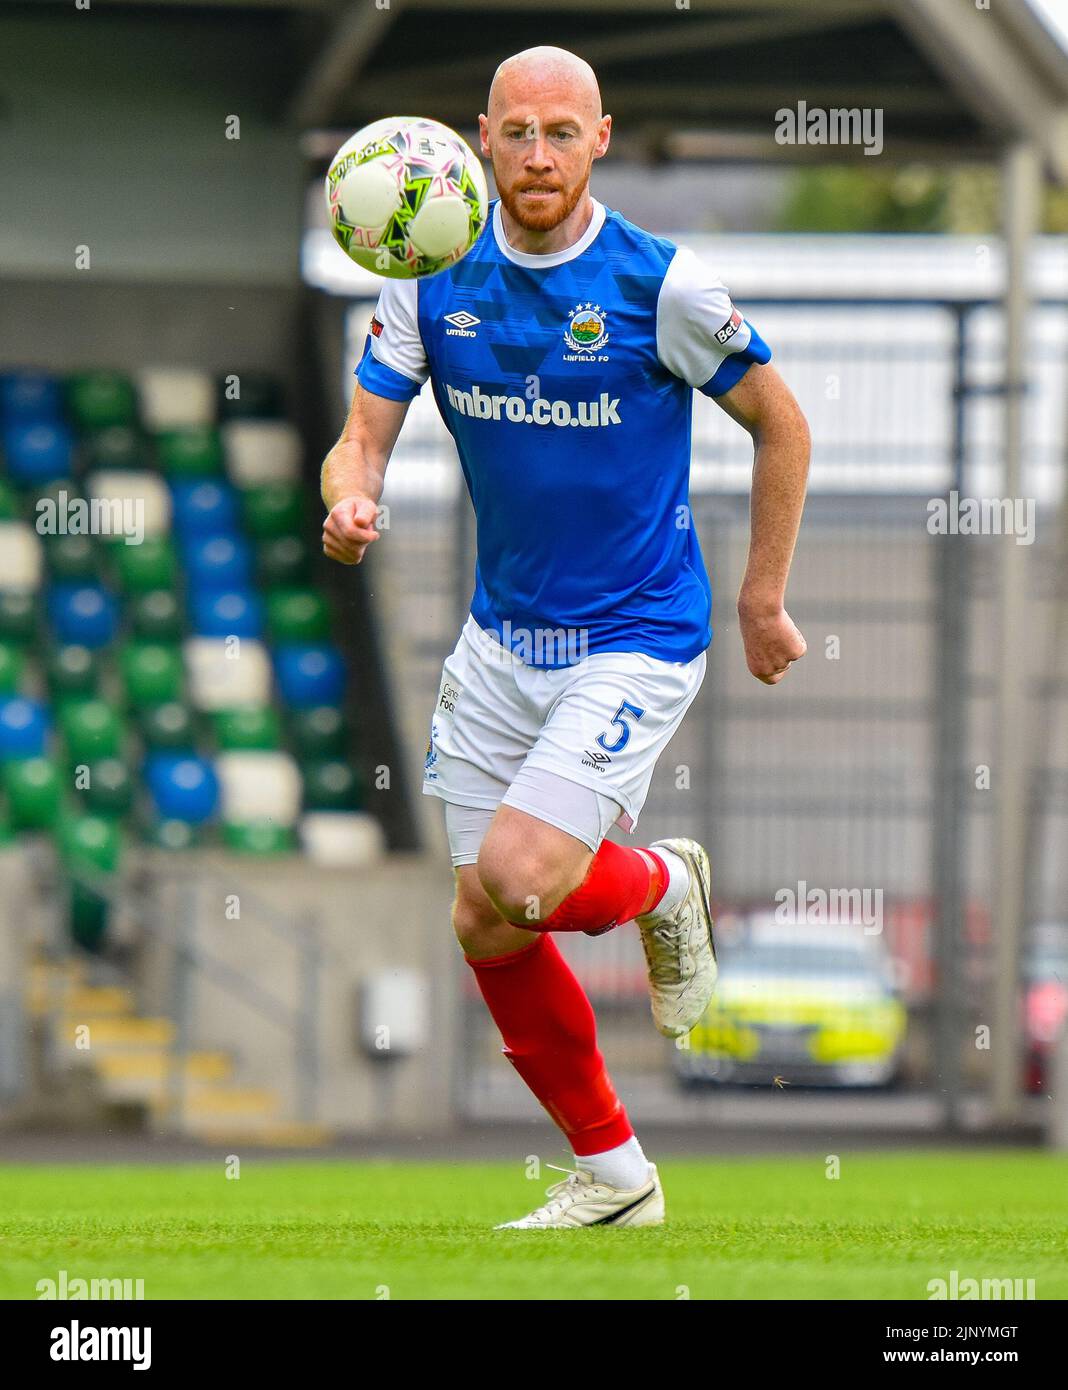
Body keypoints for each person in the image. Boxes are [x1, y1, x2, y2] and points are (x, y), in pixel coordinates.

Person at [322, 46, 810, 1228]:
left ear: (599, 140)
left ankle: (656, 887)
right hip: (501, 643)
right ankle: (616, 1176)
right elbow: (363, 438)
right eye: (517, 132)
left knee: (521, 877)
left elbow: (782, 425)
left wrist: (761, 598)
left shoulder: (663, 284)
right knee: (486, 917)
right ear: (480, 139)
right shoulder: (428, 274)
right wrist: (348, 493)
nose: (537, 155)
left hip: (637, 632)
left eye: (562, 132)